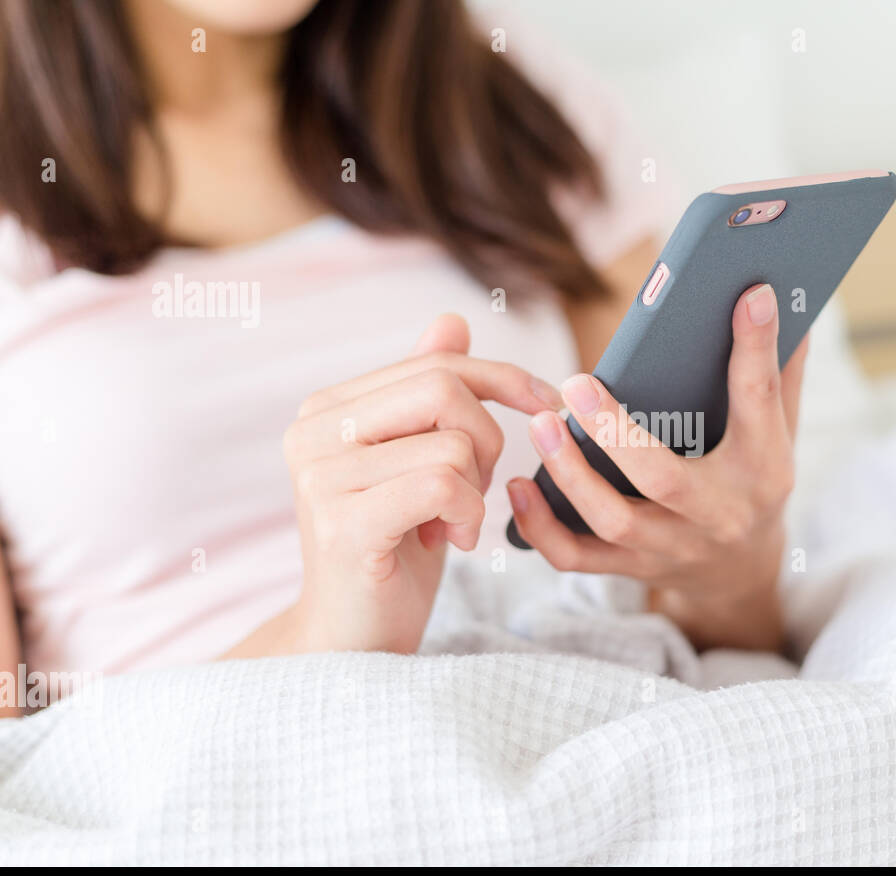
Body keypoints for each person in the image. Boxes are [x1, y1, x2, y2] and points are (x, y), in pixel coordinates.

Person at [0, 0, 810, 708]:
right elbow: (15, 784)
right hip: (209, 801)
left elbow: (706, 623)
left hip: (587, 722)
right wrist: (319, 638)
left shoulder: (490, 80)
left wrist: (735, 572)